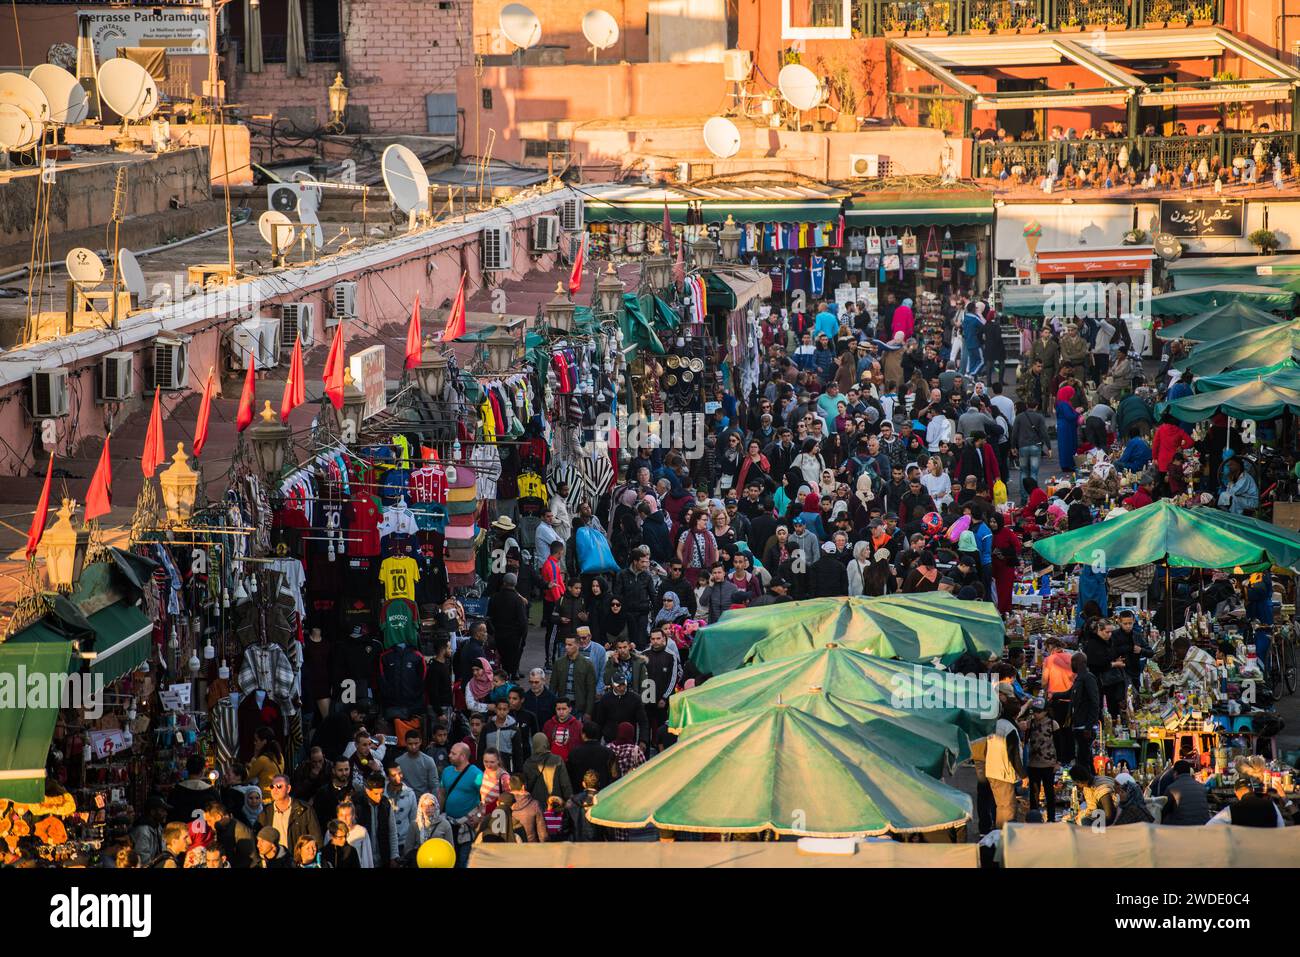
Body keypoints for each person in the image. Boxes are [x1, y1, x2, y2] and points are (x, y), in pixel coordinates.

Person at [439, 743, 484, 867]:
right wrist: (438, 814)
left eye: (453, 753)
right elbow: (442, 793)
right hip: (448, 825)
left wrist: (479, 816)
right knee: (449, 859)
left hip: (467, 825)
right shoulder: (447, 771)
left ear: (463, 756)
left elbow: (486, 798)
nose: (449, 755)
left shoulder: (477, 774)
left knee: (464, 861)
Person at [258, 775, 322, 858]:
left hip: (297, 860)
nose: (275, 789)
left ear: (288, 789)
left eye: (279, 786)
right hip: (273, 861)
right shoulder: (265, 812)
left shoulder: (305, 809)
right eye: (272, 786)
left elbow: (316, 839)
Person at [984, 699, 1024, 829]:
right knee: (1008, 807)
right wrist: (1024, 775)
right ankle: (1005, 837)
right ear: (1016, 714)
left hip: (991, 771)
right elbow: (1014, 755)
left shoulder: (995, 724)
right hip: (1003, 774)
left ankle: (998, 835)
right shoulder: (1010, 728)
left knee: (1001, 807)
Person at [1021, 698, 1058, 822]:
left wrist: (1058, 763)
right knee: (1034, 793)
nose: (1036, 714)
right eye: (1034, 711)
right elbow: (1025, 741)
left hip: (1048, 764)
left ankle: (1051, 818)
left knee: (1049, 792)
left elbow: (1060, 744)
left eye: (1038, 711)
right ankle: (1034, 818)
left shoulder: (1053, 724)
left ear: (1046, 711)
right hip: (1033, 764)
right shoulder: (1030, 723)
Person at [549, 635, 597, 717]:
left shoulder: (587, 664)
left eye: (570, 645)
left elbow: (591, 690)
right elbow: (553, 686)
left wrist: (588, 712)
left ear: (578, 645)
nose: (566, 647)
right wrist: (551, 706)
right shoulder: (559, 663)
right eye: (566, 644)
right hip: (562, 705)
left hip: (579, 707)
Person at [1069, 652, 1100, 765]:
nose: (1070, 665)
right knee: (1083, 757)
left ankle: (1088, 779)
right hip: (1079, 725)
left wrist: (1089, 726)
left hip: (1085, 727)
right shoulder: (1080, 679)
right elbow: (1070, 693)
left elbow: (1095, 702)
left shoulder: (1088, 678)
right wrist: (1055, 695)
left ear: (1078, 663)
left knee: (1084, 758)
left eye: (1072, 662)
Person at [1161, 761, 1211, 825]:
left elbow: (1164, 811)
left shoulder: (1171, 788)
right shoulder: (1201, 787)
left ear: (1175, 773)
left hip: (1183, 830)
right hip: (1203, 827)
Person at [395, 729, 440, 800]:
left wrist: (432, 802)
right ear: (406, 743)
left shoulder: (428, 761)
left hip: (424, 800)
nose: (413, 747)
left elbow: (434, 785)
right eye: (410, 744)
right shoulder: (398, 762)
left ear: (420, 742)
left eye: (416, 743)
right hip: (405, 799)